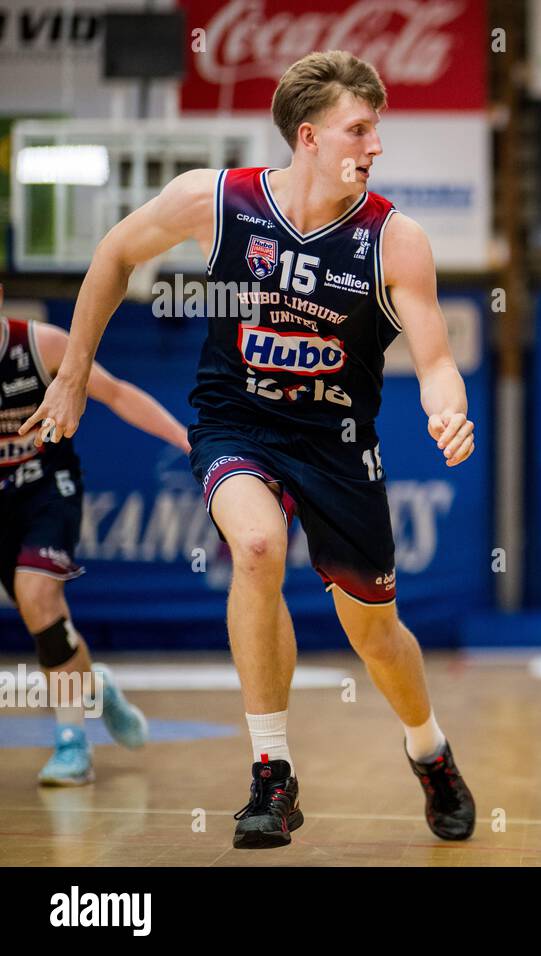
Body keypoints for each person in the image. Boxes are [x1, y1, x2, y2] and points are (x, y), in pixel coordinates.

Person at [21, 50, 477, 849]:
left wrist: (448, 412)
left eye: (378, 131)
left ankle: (428, 749)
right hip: (237, 423)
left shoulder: (394, 239)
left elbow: (436, 361)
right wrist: (73, 374)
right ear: (308, 136)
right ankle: (273, 773)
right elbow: (115, 255)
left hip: (337, 446)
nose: (375, 147)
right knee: (257, 545)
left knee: (376, 637)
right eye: (360, 130)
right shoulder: (219, 201)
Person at [1, 288, 188, 785]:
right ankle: (94, 686)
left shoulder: (40, 347)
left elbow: (118, 393)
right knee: (48, 625)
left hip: (46, 491)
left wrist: (185, 440)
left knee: (37, 596)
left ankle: (71, 743)